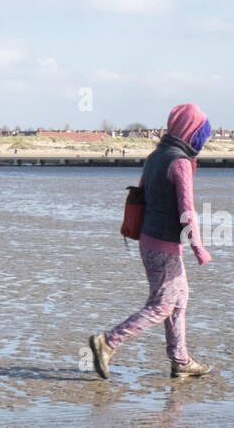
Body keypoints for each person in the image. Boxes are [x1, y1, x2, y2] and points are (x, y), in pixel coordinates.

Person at [89, 103, 213, 379]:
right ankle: (108, 342)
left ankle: (180, 360)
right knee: (161, 306)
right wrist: (199, 248)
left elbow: (143, 193)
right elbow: (187, 209)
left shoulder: (155, 156)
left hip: (149, 240)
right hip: (164, 244)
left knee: (179, 298)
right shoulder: (180, 162)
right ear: (191, 132)